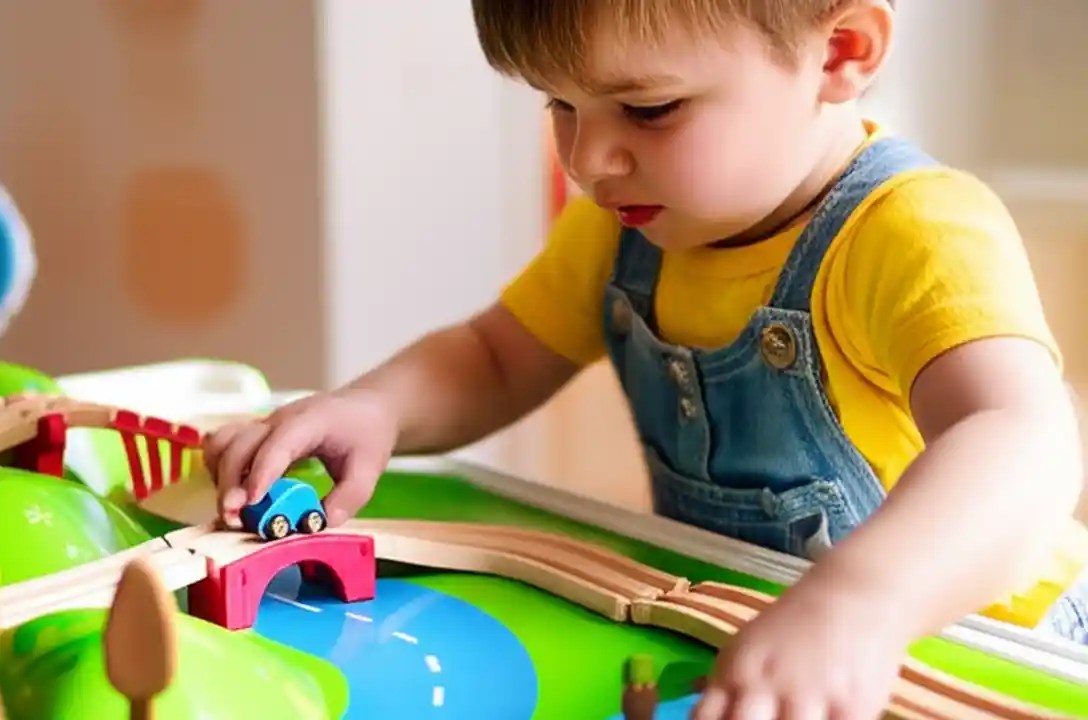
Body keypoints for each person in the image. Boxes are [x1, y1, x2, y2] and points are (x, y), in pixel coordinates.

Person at [205, 0, 1088, 716]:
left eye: (649, 109)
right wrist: (378, 409)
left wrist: (859, 606)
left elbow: (1020, 438)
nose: (589, 161)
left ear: (839, 53)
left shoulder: (915, 232)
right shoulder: (621, 227)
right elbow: (499, 355)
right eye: (560, 105)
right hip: (757, 631)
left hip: (996, 656)